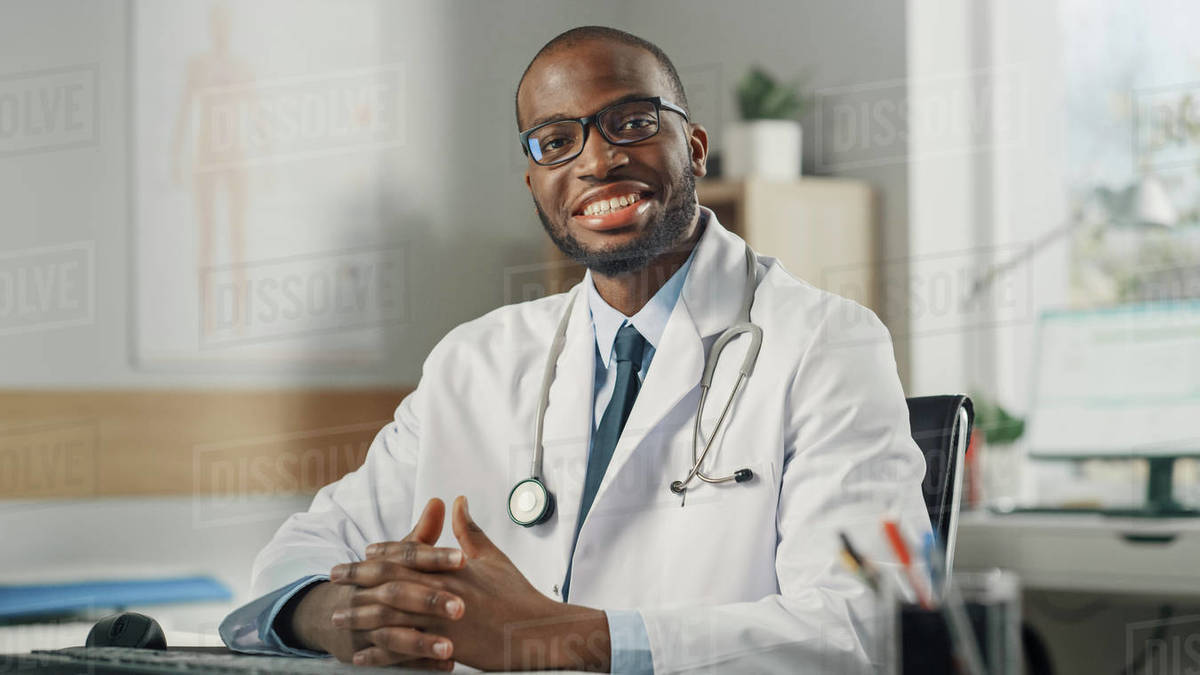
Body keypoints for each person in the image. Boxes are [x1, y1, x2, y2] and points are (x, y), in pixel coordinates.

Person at [220, 25, 930, 673]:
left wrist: (560, 635)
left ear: (696, 148)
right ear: (535, 183)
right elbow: (302, 550)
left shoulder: (825, 343)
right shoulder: (473, 361)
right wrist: (344, 617)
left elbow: (861, 625)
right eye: (557, 141)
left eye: (632, 122)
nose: (599, 159)